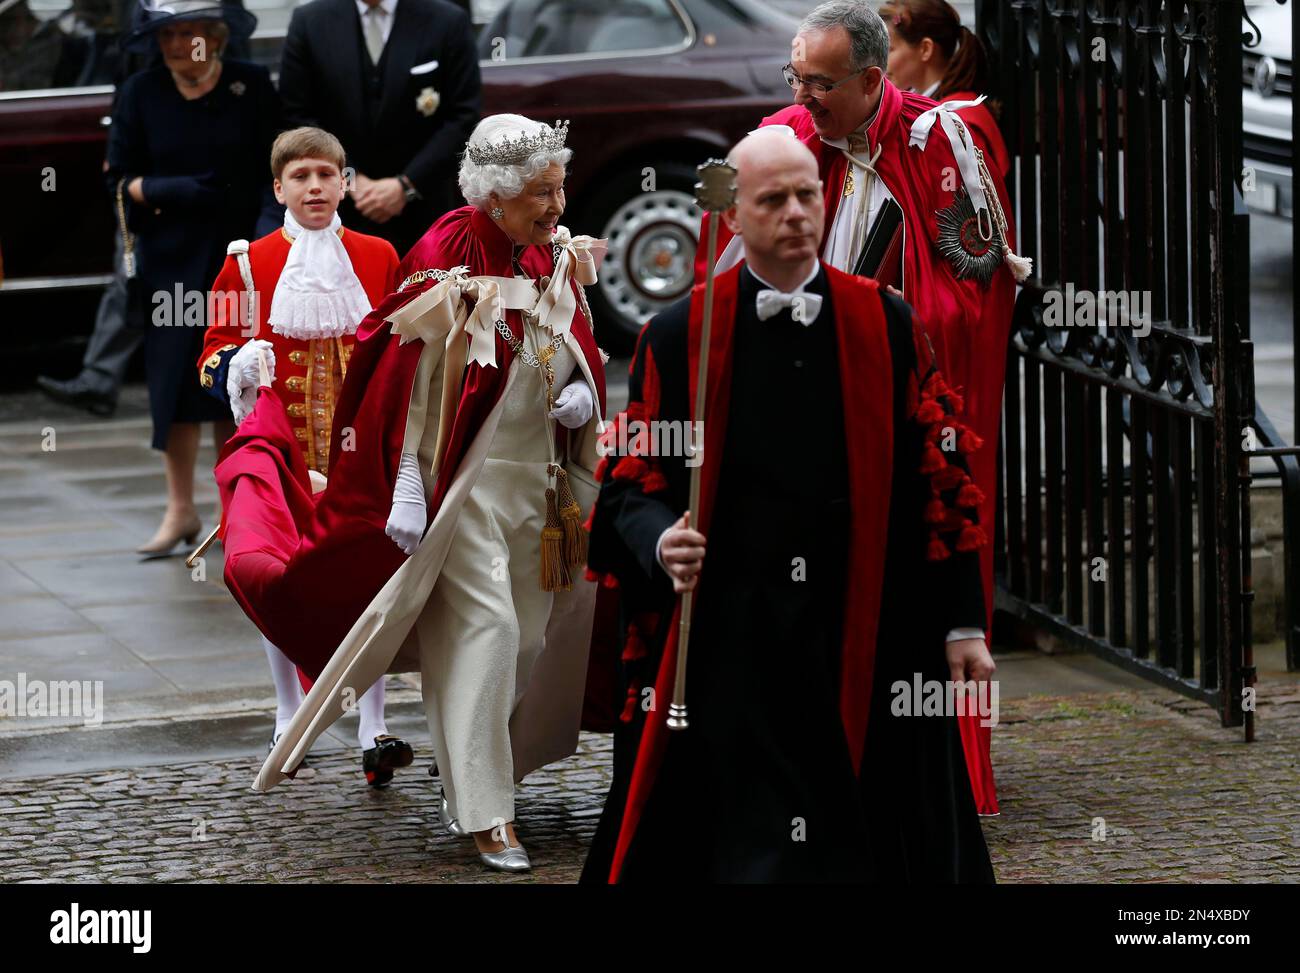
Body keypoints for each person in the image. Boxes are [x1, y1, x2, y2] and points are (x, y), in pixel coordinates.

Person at [581, 128, 995, 884]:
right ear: (733, 216)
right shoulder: (678, 336)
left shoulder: (887, 321)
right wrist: (659, 539)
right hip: (735, 637)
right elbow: (628, 482)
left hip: (868, 622)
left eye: (808, 193)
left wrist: (963, 621)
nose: (798, 212)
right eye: (773, 200)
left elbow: (942, 478)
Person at [216, 116, 608, 874]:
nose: (559, 205)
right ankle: (487, 814)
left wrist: (578, 392)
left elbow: (569, 334)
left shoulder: (552, 247)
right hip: (460, 486)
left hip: (539, 478)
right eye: (542, 193)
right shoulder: (444, 251)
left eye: (560, 188)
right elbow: (402, 380)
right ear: (496, 197)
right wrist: (401, 482)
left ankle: (481, 769)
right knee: (487, 631)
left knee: (528, 636)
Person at [692, 0, 1023, 817]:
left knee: (911, 574)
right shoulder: (789, 135)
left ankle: (929, 762)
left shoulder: (942, 142)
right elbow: (724, 268)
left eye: (821, 83)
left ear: (874, 80)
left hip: (893, 405)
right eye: (795, 76)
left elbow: (971, 293)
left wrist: (874, 320)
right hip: (801, 411)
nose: (803, 97)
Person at [197, 126, 415, 787]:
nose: (315, 187)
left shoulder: (379, 255)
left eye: (327, 174)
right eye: (300, 177)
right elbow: (207, 357)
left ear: (346, 182)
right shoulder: (246, 262)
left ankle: (373, 723)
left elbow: (409, 345)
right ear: (278, 188)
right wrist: (237, 362)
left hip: (361, 454)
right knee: (280, 578)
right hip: (281, 454)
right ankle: (288, 711)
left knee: (368, 580)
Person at [105, 0, 281, 557]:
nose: (177, 45)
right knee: (174, 385)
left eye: (188, 34)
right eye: (166, 35)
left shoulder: (251, 86)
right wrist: (165, 190)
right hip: (170, 263)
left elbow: (274, 171)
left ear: (215, 37)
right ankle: (180, 509)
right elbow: (118, 177)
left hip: (238, 262)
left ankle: (238, 512)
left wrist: (261, 241)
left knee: (234, 379)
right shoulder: (141, 92)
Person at [35, 0, 257, 418]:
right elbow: (130, 69)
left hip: (208, 170)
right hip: (149, 163)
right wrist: (121, 140)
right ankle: (104, 379)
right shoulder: (142, 15)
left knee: (197, 296)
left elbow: (231, 65)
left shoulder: (217, 16)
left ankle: (201, 386)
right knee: (134, 274)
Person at [278, 0, 480, 255]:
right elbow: (296, 114)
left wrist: (406, 186)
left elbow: (463, 116)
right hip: (340, 212)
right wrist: (350, 179)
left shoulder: (447, 20)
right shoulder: (309, 21)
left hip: (424, 208)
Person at [879, 0, 1010, 181]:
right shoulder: (918, 107)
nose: (880, 62)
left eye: (889, 49)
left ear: (925, 49)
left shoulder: (959, 121)